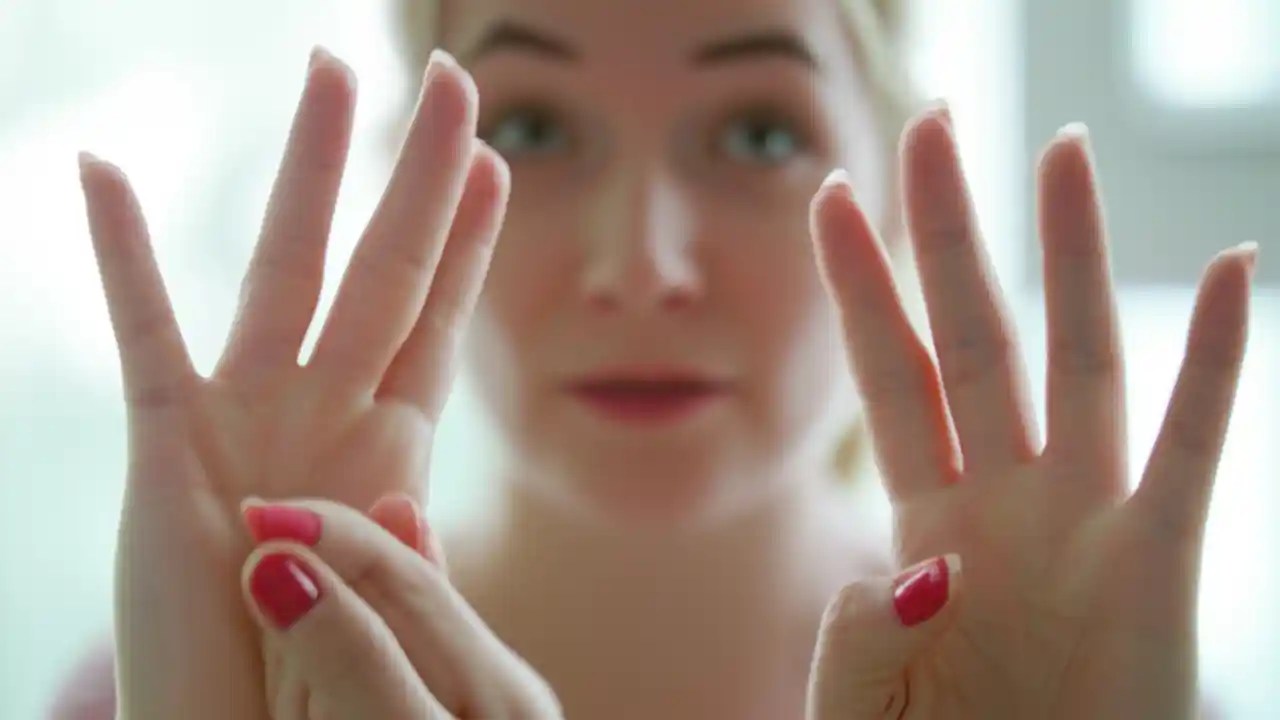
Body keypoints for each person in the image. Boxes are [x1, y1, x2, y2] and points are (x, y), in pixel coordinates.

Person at [57, 0, 1254, 717]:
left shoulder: (1082, 689)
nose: (640, 263)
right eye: (533, 128)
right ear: (405, 179)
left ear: (895, 189)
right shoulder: (186, 681)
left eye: (756, 132)